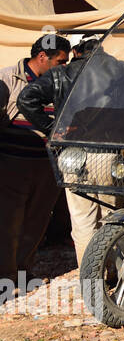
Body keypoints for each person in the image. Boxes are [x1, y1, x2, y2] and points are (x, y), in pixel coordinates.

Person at [15, 36, 107, 266]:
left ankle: (91, 279)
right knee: (110, 218)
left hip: (65, 158)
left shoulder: (62, 74)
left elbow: (26, 100)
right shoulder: (115, 70)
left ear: (77, 51)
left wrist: (52, 130)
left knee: (78, 221)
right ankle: (111, 272)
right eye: (60, 60)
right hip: (106, 155)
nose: (64, 64)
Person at [0, 35, 72, 286]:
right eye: (61, 61)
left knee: (37, 219)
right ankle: (5, 276)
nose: (65, 66)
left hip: (48, 164)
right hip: (12, 163)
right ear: (43, 57)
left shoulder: (61, 81)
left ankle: (22, 271)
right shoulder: (8, 78)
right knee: (8, 221)